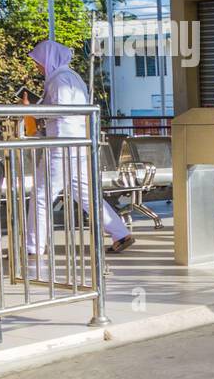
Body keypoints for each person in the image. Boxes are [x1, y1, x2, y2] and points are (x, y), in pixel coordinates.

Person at [26, 41, 134, 267]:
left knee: (42, 195)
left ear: (48, 60)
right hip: (78, 144)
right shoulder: (73, 77)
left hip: (62, 145)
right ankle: (120, 233)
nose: (37, 67)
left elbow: (62, 110)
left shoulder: (58, 80)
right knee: (87, 195)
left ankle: (34, 247)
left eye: (38, 62)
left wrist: (31, 109)